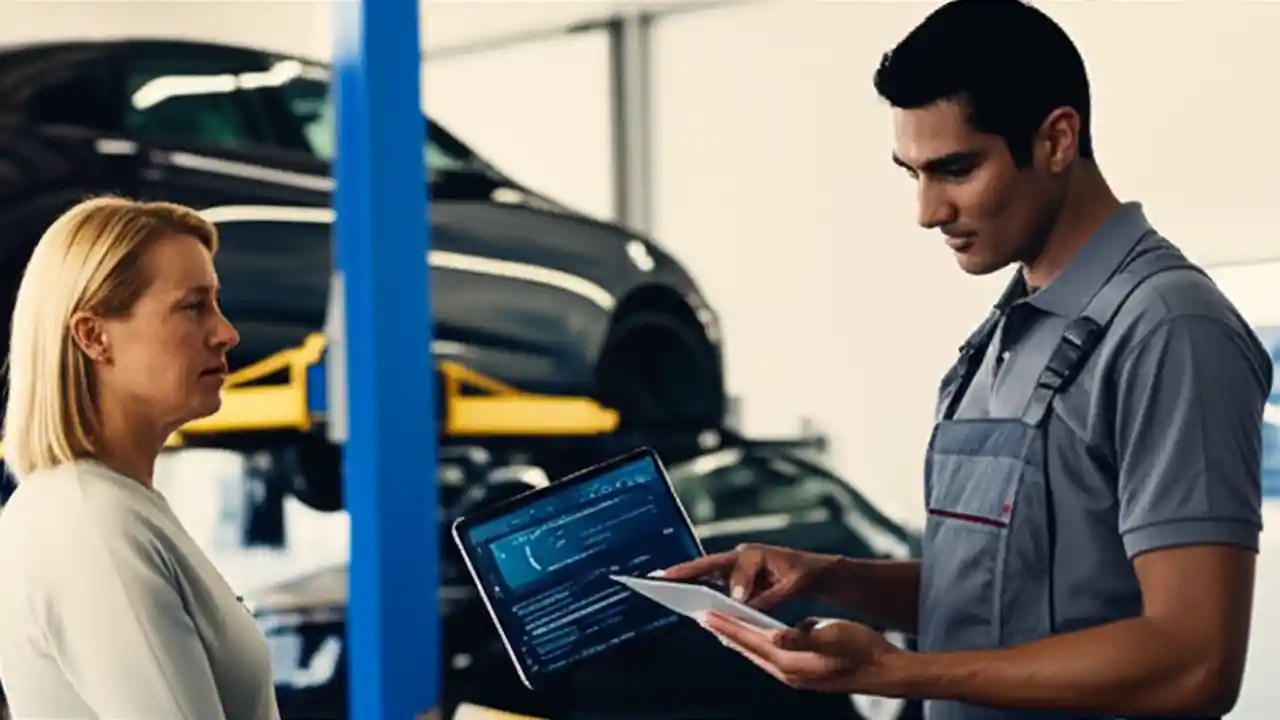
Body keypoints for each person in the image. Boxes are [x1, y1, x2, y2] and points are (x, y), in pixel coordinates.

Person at [660, 1, 1272, 718]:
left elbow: (1192, 662)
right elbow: (1004, 598)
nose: (927, 210)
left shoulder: (1167, 328)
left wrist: (900, 672)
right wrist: (832, 578)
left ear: (1056, 139)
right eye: (912, 172)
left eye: (955, 169)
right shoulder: (1014, 327)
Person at [0, 196, 281, 719]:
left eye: (215, 304)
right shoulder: (88, 522)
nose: (226, 333)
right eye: (193, 306)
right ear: (94, 336)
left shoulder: (116, 505)